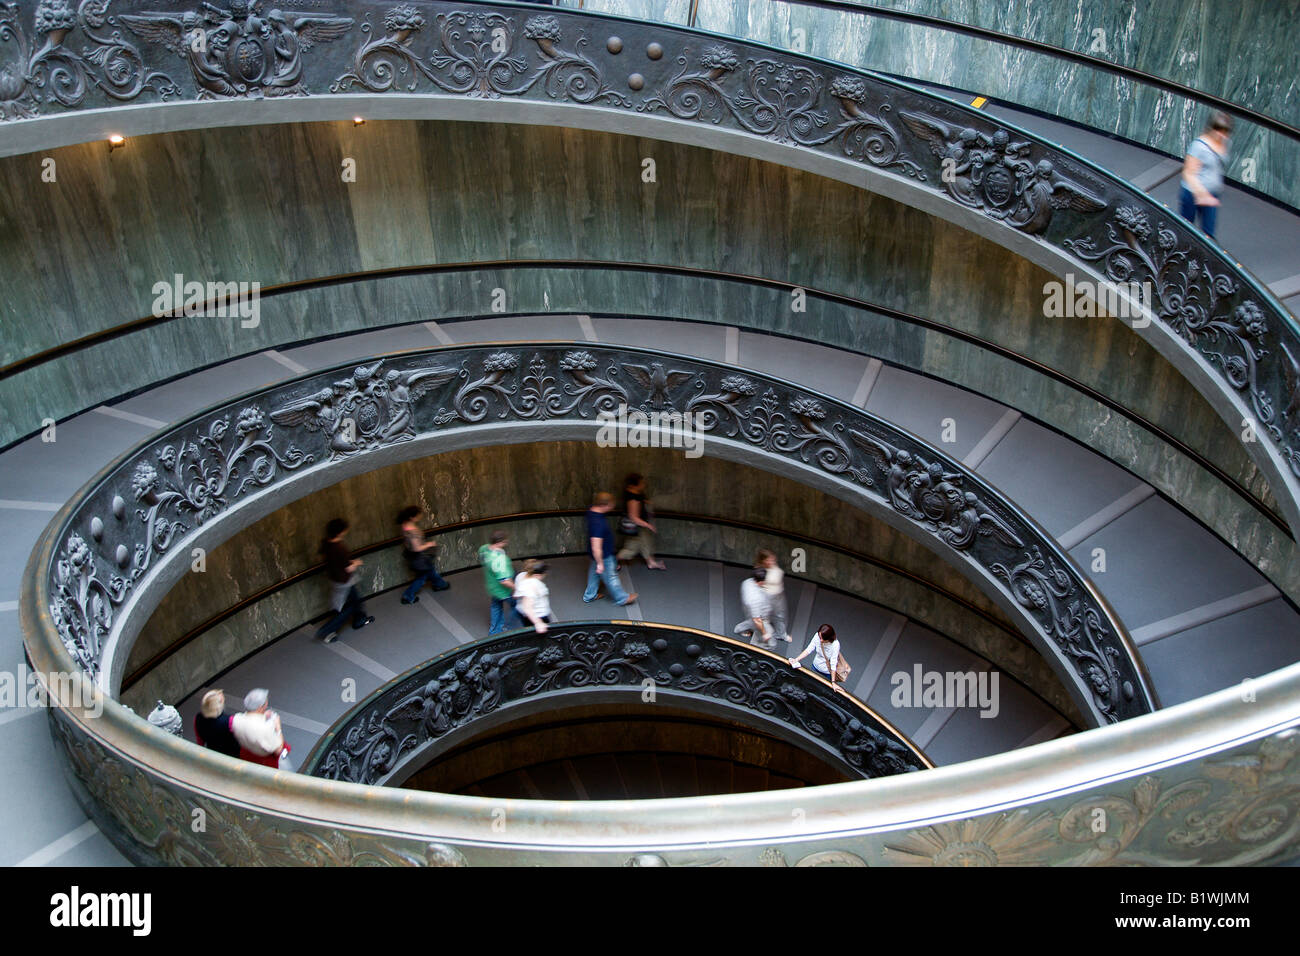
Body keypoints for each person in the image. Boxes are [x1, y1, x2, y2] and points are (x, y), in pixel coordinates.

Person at [314, 517, 374, 643]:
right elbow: (348, 568)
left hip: (335, 579)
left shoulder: (326, 543)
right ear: (340, 532)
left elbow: (332, 561)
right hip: (344, 581)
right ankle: (327, 631)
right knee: (350, 606)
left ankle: (360, 620)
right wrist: (356, 563)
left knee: (356, 601)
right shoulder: (339, 548)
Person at [1180, 111, 1233, 239]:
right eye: (1218, 130)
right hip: (1192, 193)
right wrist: (1202, 194)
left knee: (1209, 232)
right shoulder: (1199, 146)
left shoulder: (1226, 143)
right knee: (1186, 228)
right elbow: (1188, 173)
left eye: (1224, 131)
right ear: (1211, 128)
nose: (1221, 134)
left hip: (1211, 193)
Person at [583, 492, 638, 606]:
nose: (613, 506)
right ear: (604, 505)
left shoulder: (591, 511)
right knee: (611, 576)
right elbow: (596, 547)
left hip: (599, 554)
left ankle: (589, 595)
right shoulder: (598, 524)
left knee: (594, 573)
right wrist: (600, 563)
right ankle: (622, 598)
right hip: (603, 555)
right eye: (611, 505)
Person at [398, 506, 449, 604]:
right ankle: (407, 596)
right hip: (420, 558)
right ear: (412, 517)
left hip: (414, 556)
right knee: (421, 578)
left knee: (430, 572)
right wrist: (429, 544)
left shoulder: (405, 525)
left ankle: (441, 584)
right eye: (418, 514)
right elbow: (417, 548)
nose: (420, 516)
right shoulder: (412, 531)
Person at [616, 473, 666, 570]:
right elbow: (633, 517)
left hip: (640, 526)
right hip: (637, 527)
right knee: (631, 549)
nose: (644, 484)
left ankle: (651, 562)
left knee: (646, 543)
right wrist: (648, 525)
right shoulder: (632, 498)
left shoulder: (636, 492)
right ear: (634, 485)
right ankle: (612, 561)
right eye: (641, 483)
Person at [231, 688, 290, 769]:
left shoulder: (236, 718)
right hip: (263, 761)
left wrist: (262, 715)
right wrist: (278, 727)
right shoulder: (266, 728)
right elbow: (278, 750)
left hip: (246, 755)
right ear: (261, 707)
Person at [478, 530, 519, 634]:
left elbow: (482, 559)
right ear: (500, 542)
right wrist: (516, 588)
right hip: (504, 590)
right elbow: (504, 581)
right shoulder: (499, 559)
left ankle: (495, 631)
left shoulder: (483, 548)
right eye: (505, 541)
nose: (506, 542)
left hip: (492, 586)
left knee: (496, 606)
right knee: (517, 605)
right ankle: (509, 629)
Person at [789, 624, 848, 693]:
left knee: (820, 691)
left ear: (829, 638)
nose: (821, 640)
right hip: (815, 667)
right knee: (809, 687)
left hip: (827, 673)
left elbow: (833, 663)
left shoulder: (835, 644)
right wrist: (796, 660)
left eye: (823, 639)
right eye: (820, 637)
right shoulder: (817, 636)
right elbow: (809, 649)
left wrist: (833, 682)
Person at [733, 566, 774, 648]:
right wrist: (765, 633)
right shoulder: (755, 599)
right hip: (760, 618)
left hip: (752, 614)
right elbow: (757, 620)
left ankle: (743, 630)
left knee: (747, 625)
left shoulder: (747, 582)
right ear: (761, 582)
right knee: (771, 644)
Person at [193, 688, 239, 758]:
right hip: (232, 755)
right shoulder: (229, 721)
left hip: (213, 754)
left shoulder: (198, 718)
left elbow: (200, 740)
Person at [756, 548, 790, 643]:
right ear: (763, 560)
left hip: (778, 596)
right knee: (763, 616)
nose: (772, 561)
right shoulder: (760, 571)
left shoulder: (773, 567)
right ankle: (762, 634)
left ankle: (781, 634)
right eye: (769, 559)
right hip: (767, 597)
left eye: (772, 558)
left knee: (780, 616)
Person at [515, 560, 554, 634]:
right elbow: (527, 607)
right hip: (538, 616)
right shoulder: (533, 585)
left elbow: (516, 595)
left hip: (527, 615)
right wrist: (538, 623)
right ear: (537, 575)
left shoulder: (521, 576)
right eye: (543, 574)